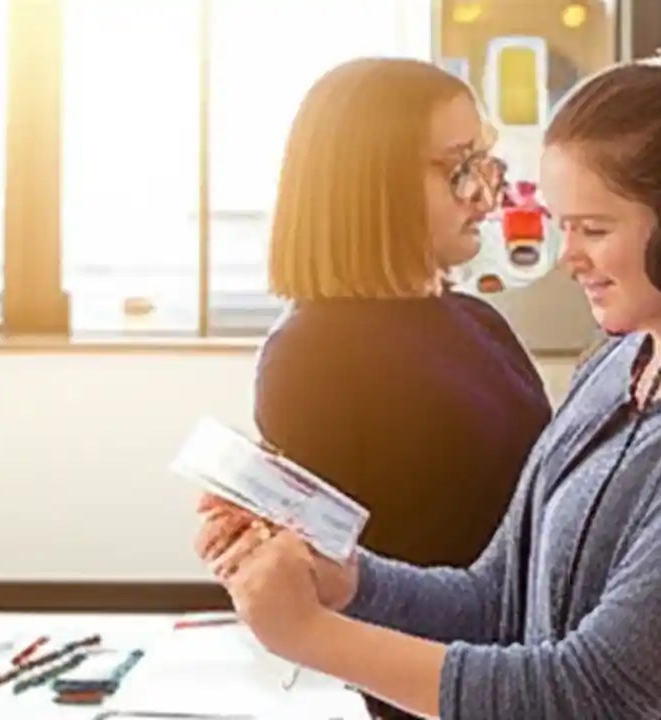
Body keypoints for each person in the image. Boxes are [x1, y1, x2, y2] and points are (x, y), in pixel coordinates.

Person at [196, 49, 661, 719]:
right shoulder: (620, 364)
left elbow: (593, 696)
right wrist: (350, 580)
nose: (567, 258)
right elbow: (497, 599)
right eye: (564, 226)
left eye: (593, 229)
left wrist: (315, 637)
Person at [243, 57, 552, 719]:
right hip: (436, 692)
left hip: (535, 669)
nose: (487, 194)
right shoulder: (310, 354)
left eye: (485, 161)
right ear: (371, 184)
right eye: (459, 167)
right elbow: (324, 576)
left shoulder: (477, 320)